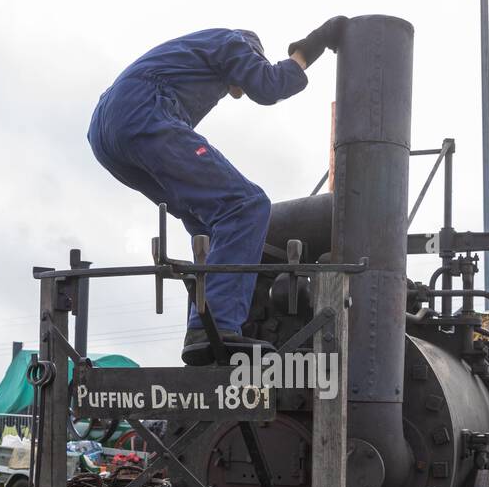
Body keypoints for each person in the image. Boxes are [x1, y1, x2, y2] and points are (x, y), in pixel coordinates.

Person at [87, 18, 346, 365]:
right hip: (142, 110)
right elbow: (269, 86)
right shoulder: (233, 42)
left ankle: (203, 330)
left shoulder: (190, 57)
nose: (233, 92)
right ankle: (218, 326)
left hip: (106, 135)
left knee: (208, 226)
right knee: (246, 206)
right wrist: (311, 46)